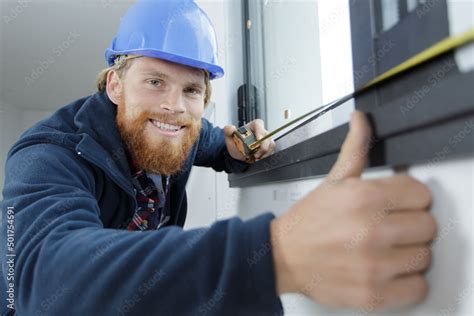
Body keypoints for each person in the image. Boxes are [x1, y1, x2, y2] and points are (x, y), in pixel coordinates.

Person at [0, 0, 436, 315]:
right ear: (115, 85)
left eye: (191, 90)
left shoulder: (181, 132)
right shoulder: (46, 154)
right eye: (154, 82)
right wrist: (275, 254)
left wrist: (241, 146)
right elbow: (40, 283)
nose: (174, 106)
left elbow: (213, 141)